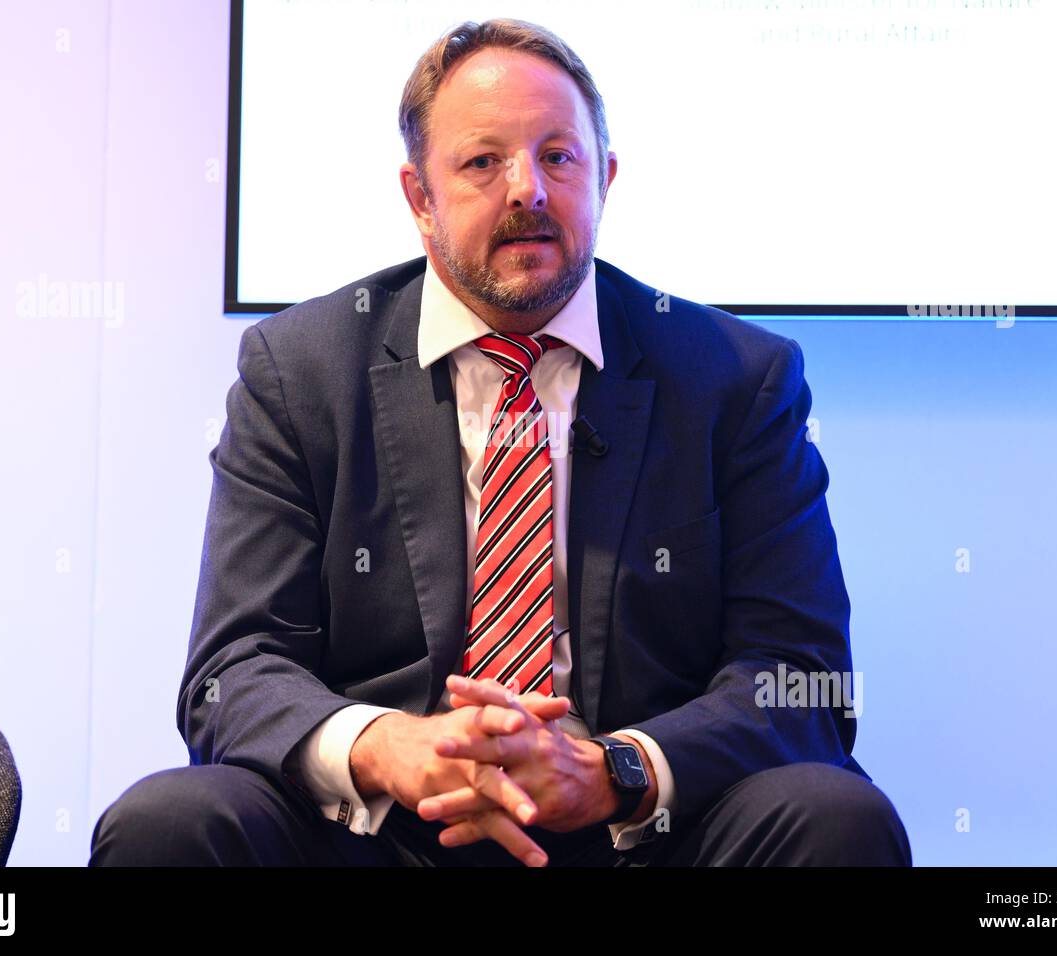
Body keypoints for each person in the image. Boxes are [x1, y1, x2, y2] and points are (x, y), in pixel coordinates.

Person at [90, 18, 912, 868]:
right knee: (171, 821)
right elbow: (235, 668)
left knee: (834, 815)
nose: (530, 189)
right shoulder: (301, 372)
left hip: (639, 834)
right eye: (484, 162)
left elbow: (799, 674)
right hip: (380, 834)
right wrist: (388, 747)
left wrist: (616, 769)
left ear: (606, 178)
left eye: (560, 156)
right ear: (419, 197)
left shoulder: (736, 379)